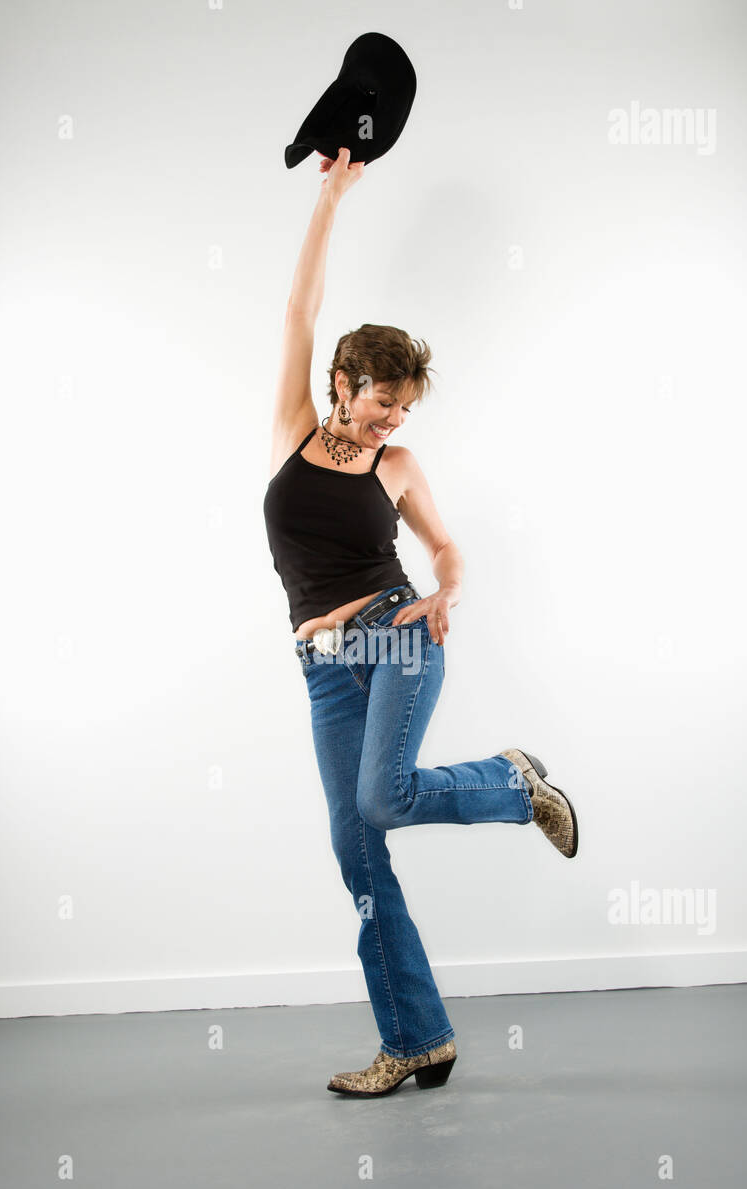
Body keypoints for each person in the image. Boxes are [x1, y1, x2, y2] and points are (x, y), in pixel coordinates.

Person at [263, 149, 578, 1099]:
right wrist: (330, 196)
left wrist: (449, 591)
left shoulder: (397, 467)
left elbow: (446, 551)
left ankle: (509, 783)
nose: (390, 420)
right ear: (343, 383)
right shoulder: (291, 434)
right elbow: (298, 312)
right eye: (379, 401)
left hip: (400, 634)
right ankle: (417, 1041)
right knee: (357, 852)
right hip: (322, 665)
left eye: (403, 408)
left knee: (383, 798)